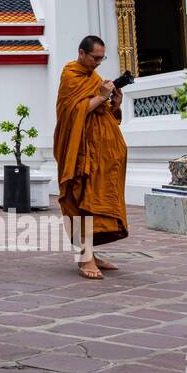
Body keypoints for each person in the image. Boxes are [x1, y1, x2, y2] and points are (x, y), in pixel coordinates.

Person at [53, 35, 129, 279]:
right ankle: (85, 259)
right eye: (95, 57)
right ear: (82, 53)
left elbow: (106, 113)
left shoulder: (94, 78)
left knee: (96, 201)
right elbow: (74, 112)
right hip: (79, 153)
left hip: (101, 157)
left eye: (101, 58)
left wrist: (115, 102)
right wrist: (102, 96)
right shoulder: (70, 74)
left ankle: (90, 254)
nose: (98, 62)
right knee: (80, 197)